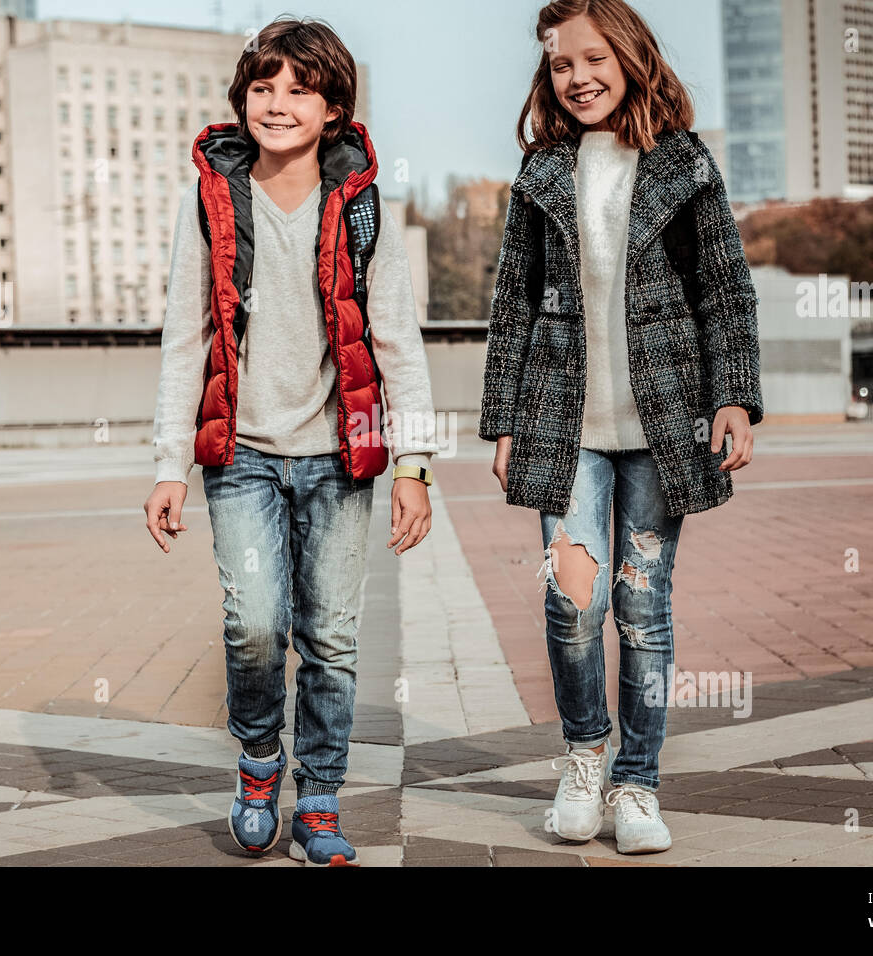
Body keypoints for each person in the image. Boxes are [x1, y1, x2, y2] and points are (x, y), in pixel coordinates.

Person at [144, 16, 439, 867]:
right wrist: (169, 463)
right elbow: (181, 339)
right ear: (242, 100)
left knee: (333, 638)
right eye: (263, 88)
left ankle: (319, 797)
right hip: (237, 450)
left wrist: (413, 465)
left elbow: (395, 343)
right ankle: (259, 763)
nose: (277, 104)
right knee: (255, 623)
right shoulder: (209, 200)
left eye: (298, 89)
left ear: (334, 107)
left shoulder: (362, 204)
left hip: (339, 455)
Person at [479, 0, 764, 854]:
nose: (580, 77)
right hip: (562, 426)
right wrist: (503, 421)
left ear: (632, 57)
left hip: (662, 424)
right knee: (574, 602)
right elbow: (512, 306)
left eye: (595, 58)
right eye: (563, 65)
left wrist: (734, 397)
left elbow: (725, 289)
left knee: (642, 606)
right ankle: (584, 756)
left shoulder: (684, 165)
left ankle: (637, 785)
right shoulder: (541, 172)